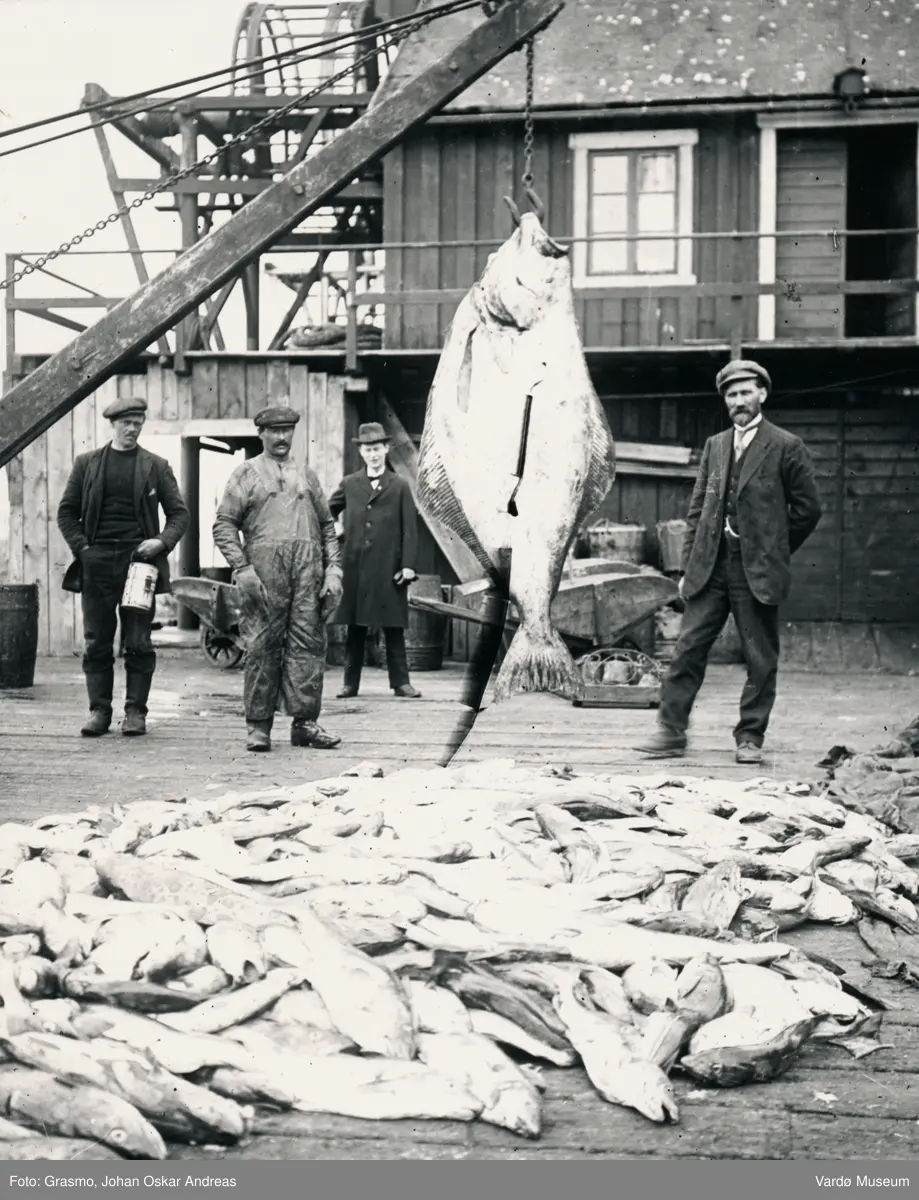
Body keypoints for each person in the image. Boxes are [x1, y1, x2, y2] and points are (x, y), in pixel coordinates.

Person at [635, 359, 823, 765]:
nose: (739, 401)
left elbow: (808, 510)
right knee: (687, 648)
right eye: (731, 395)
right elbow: (697, 508)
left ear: (762, 394)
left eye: (746, 392)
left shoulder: (786, 446)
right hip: (710, 568)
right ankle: (670, 732)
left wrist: (773, 548)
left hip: (757, 571)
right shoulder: (715, 446)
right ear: (726, 401)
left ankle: (750, 737)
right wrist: (686, 569)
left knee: (759, 657)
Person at [57, 396, 190, 738]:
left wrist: (160, 542)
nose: (132, 429)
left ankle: (135, 713)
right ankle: (99, 711)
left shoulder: (155, 465)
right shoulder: (87, 464)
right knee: (97, 641)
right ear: (113, 425)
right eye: (126, 423)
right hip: (97, 563)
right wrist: (84, 550)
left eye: (138, 422)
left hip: (139, 566)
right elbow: (67, 513)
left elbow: (179, 514)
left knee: (138, 641)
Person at [212, 406, 343, 753]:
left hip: (307, 575)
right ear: (262, 434)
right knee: (261, 647)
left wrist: (333, 571)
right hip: (264, 576)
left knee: (309, 646)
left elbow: (328, 527)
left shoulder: (307, 475)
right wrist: (242, 568)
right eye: (274, 431)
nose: (282, 437)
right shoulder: (246, 474)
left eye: (287, 430)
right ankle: (258, 726)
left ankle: (305, 724)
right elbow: (224, 525)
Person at [328, 422, 423, 700]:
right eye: (367, 449)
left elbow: (410, 529)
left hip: (388, 568)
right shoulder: (350, 483)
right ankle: (350, 684)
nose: (373, 454)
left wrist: (408, 565)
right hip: (355, 566)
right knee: (355, 627)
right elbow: (326, 510)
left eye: (377, 449)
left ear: (386, 449)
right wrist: (335, 527)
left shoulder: (400, 486)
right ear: (361, 452)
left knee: (393, 625)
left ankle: (401, 683)